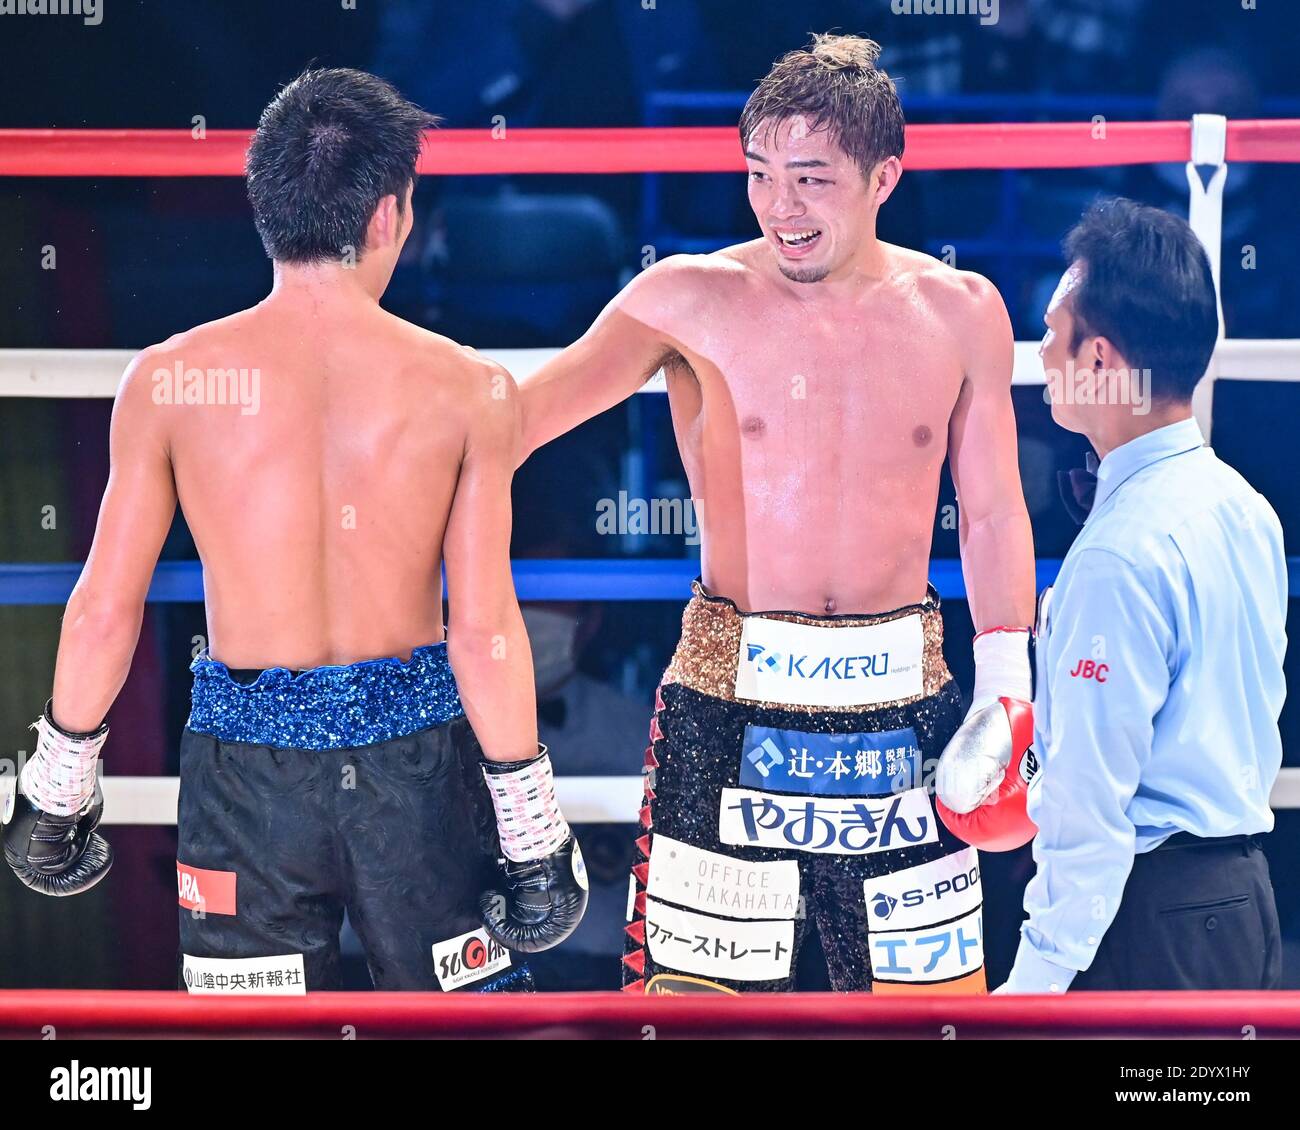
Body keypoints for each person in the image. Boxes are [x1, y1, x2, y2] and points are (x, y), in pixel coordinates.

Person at [1, 68, 585, 993]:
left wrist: (57, 788)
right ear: (390, 214)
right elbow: (482, 629)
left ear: (262, 207)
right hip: (417, 770)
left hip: (248, 777)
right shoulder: (469, 389)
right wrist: (532, 827)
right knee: (457, 1032)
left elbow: (102, 610)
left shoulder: (168, 382)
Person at [520, 34, 1037, 994]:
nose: (779, 207)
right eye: (759, 175)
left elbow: (997, 512)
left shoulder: (962, 310)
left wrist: (1008, 686)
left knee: (925, 1020)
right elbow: (519, 421)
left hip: (901, 711)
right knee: (699, 1016)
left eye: (810, 179)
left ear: (885, 176)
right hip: (731, 699)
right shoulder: (687, 297)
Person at [995, 198, 1287, 993]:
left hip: (1147, 917)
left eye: (1053, 333)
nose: (1040, 351)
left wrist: (1034, 983)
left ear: (1099, 359)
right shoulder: (1244, 508)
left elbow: (1093, 811)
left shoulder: (1122, 553)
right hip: (1242, 899)